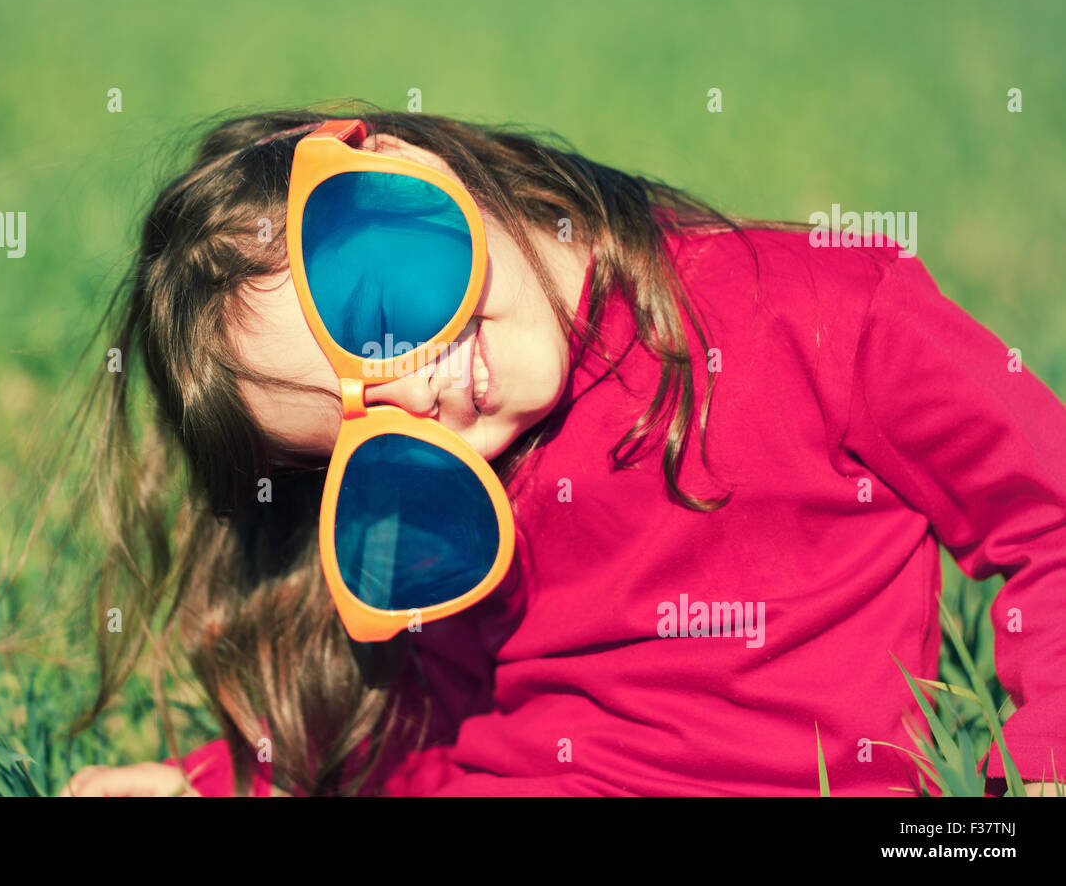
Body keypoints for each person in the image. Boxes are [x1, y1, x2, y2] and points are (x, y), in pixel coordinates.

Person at [59, 107, 1066, 796]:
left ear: (404, 171)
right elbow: (421, 724)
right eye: (371, 429)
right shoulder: (440, 503)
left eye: (377, 310)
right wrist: (222, 778)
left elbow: (1049, 517)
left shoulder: (822, 314)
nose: (417, 388)